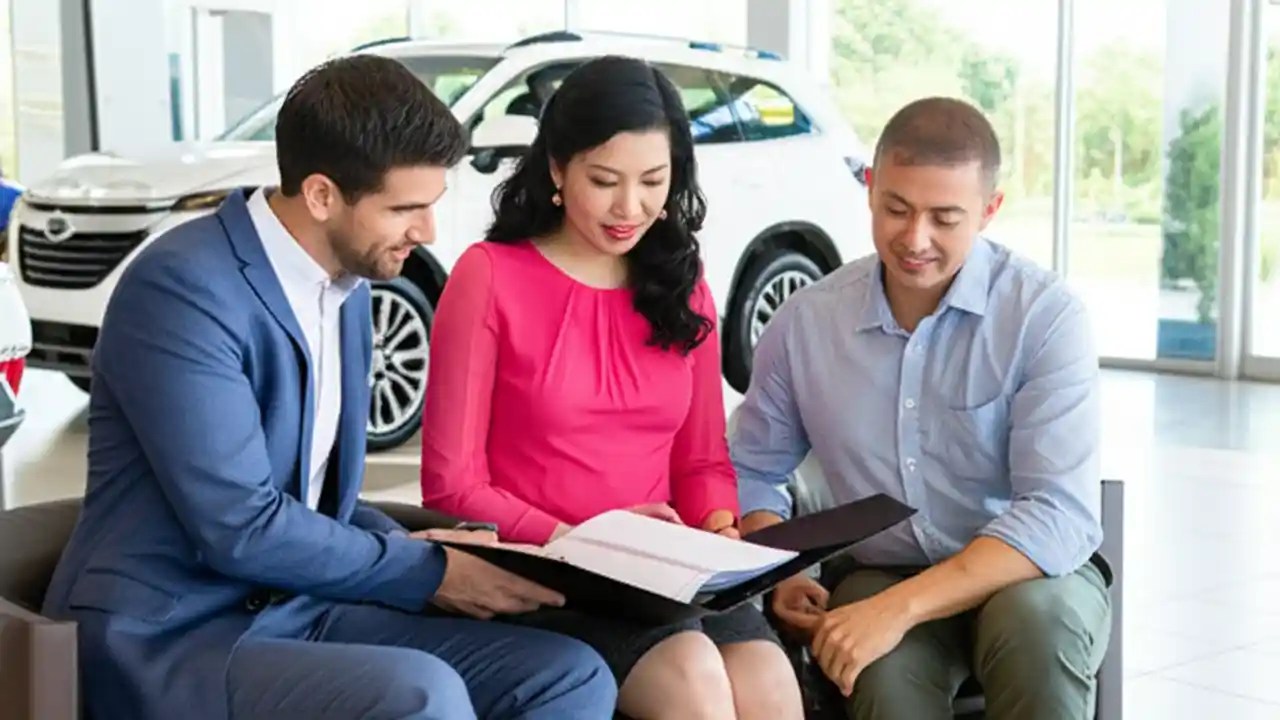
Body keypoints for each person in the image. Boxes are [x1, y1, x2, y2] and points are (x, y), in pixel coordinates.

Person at [41, 55, 617, 720]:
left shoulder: (342, 286)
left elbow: (310, 496)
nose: (427, 231)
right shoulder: (182, 289)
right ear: (320, 195)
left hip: (292, 606)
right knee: (421, 697)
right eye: (406, 208)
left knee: (568, 675)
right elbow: (242, 526)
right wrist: (432, 576)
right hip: (176, 633)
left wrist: (431, 546)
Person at [419, 56, 803, 720]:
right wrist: (584, 537)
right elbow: (451, 485)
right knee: (694, 677)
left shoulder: (683, 285)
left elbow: (703, 460)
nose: (632, 208)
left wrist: (718, 525)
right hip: (548, 574)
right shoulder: (489, 277)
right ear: (557, 170)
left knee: (768, 680)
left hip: (666, 577)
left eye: (654, 181)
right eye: (605, 181)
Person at [731, 96, 1112, 720]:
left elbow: (1057, 513)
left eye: (945, 217)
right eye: (896, 209)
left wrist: (900, 608)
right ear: (871, 188)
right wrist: (782, 570)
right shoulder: (806, 322)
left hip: (1029, 578)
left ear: (990, 210)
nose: (915, 240)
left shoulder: (1045, 317)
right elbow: (754, 468)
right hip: (883, 570)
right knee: (874, 670)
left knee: (1039, 631)